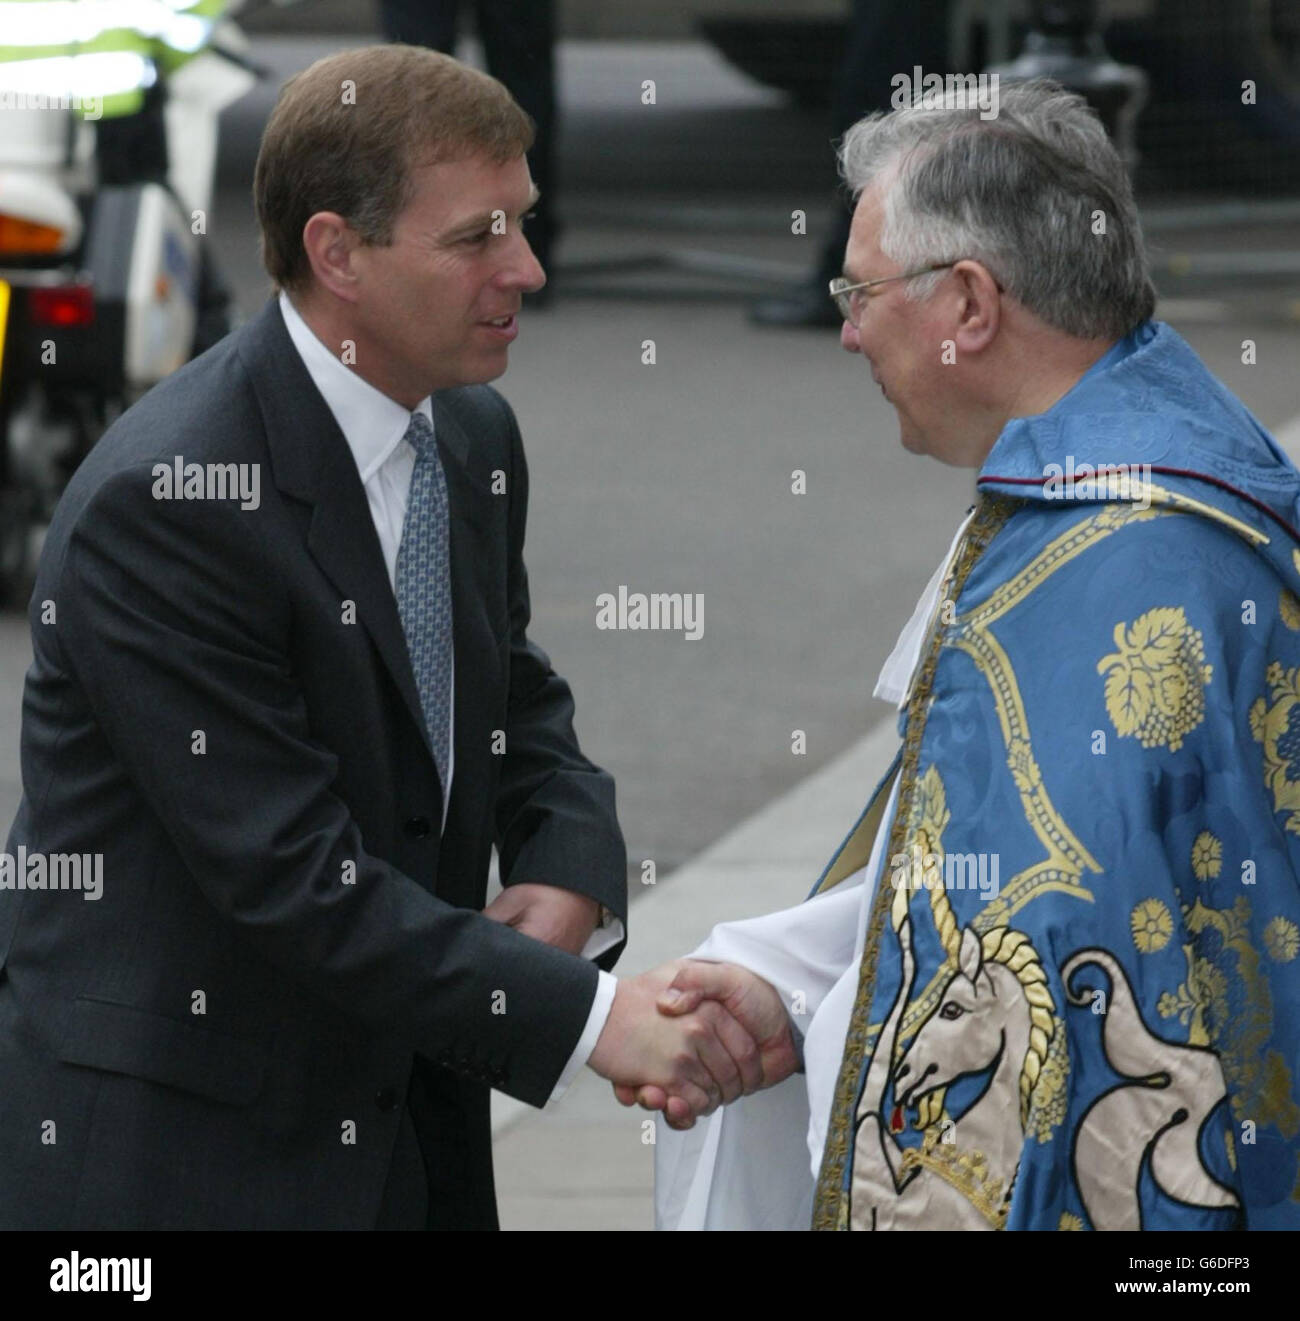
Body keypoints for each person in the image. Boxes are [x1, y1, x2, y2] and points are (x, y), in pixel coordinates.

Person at [0, 45, 769, 1231]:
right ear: (337, 253)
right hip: (192, 1154)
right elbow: (291, 872)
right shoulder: (171, 502)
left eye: (523, 221)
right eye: (477, 237)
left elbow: (508, 693)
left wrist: (566, 861)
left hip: (407, 1121)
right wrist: (592, 1019)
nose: (527, 267)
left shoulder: (468, 432)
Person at [641, 78, 1300, 1231]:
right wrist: (792, 984)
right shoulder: (1121, 464)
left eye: (860, 291)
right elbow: (976, 866)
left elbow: (1053, 952)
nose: (847, 330)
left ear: (968, 304)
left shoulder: (1119, 567)